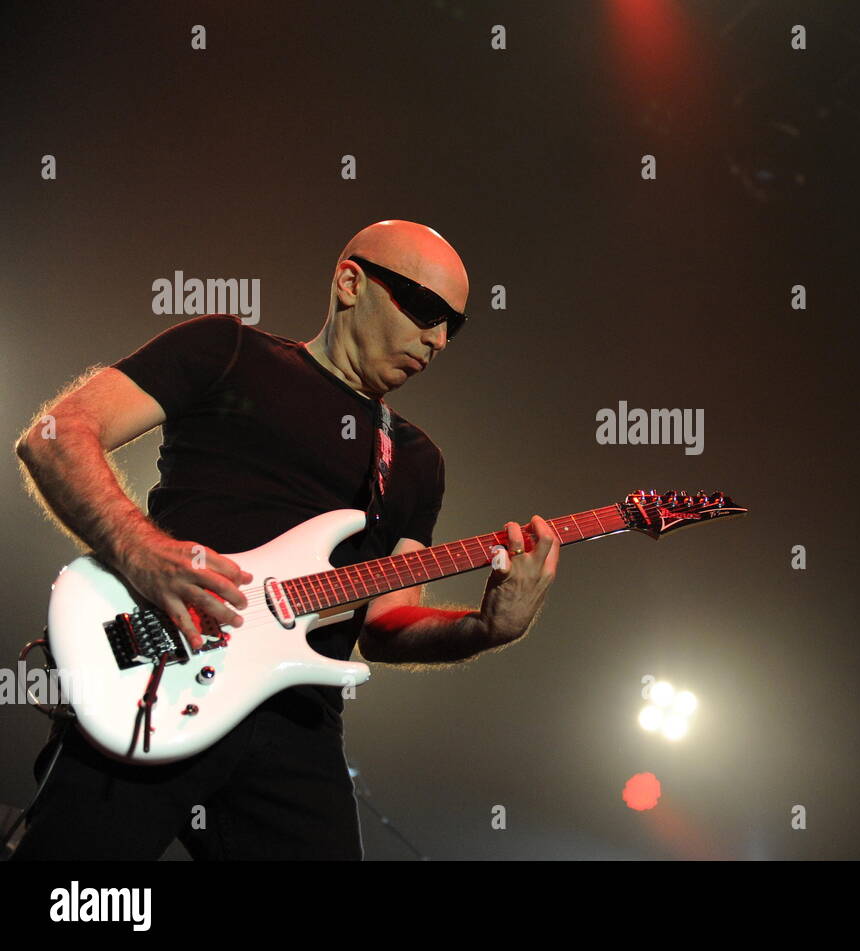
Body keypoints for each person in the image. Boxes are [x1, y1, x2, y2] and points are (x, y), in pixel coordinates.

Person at [9, 219, 559, 860]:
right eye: (426, 309)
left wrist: (488, 628)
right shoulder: (227, 352)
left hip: (296, 727)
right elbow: (58, 433)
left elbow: (385, 623)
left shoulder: (414, 460)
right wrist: (141, 549)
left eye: (453, 326)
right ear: (352, 283)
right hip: (158, 675)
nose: (436, 339)